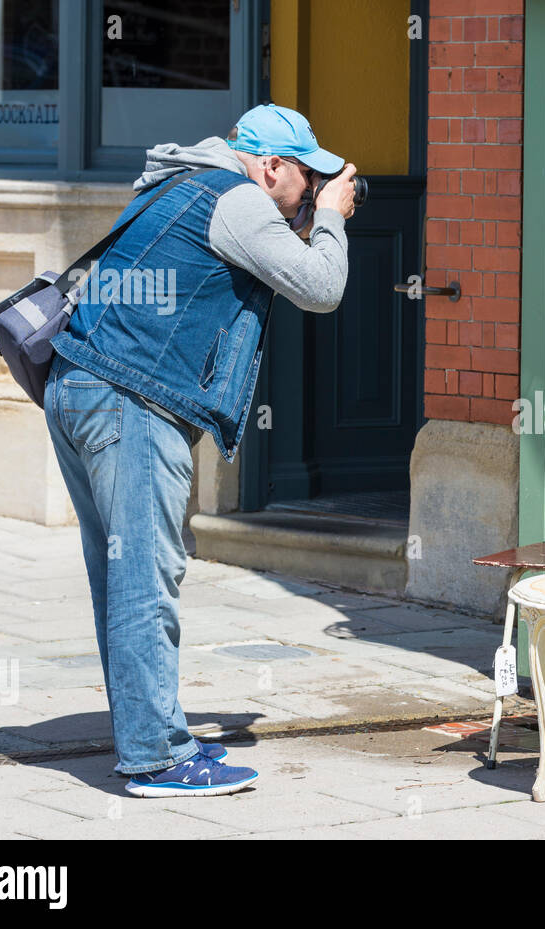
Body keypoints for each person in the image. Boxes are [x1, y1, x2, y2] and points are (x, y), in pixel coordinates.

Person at [45, 104, 359, 797]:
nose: (312, 191)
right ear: (273, 165)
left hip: (80, 385)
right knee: (146, 578)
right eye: (308, 177)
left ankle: (146, 737)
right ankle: (157, 758)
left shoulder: (184, 182)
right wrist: (332, 217)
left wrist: (313, 214)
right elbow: (322, 286)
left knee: (121, 576)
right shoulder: (240, 198)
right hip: (132, 399)